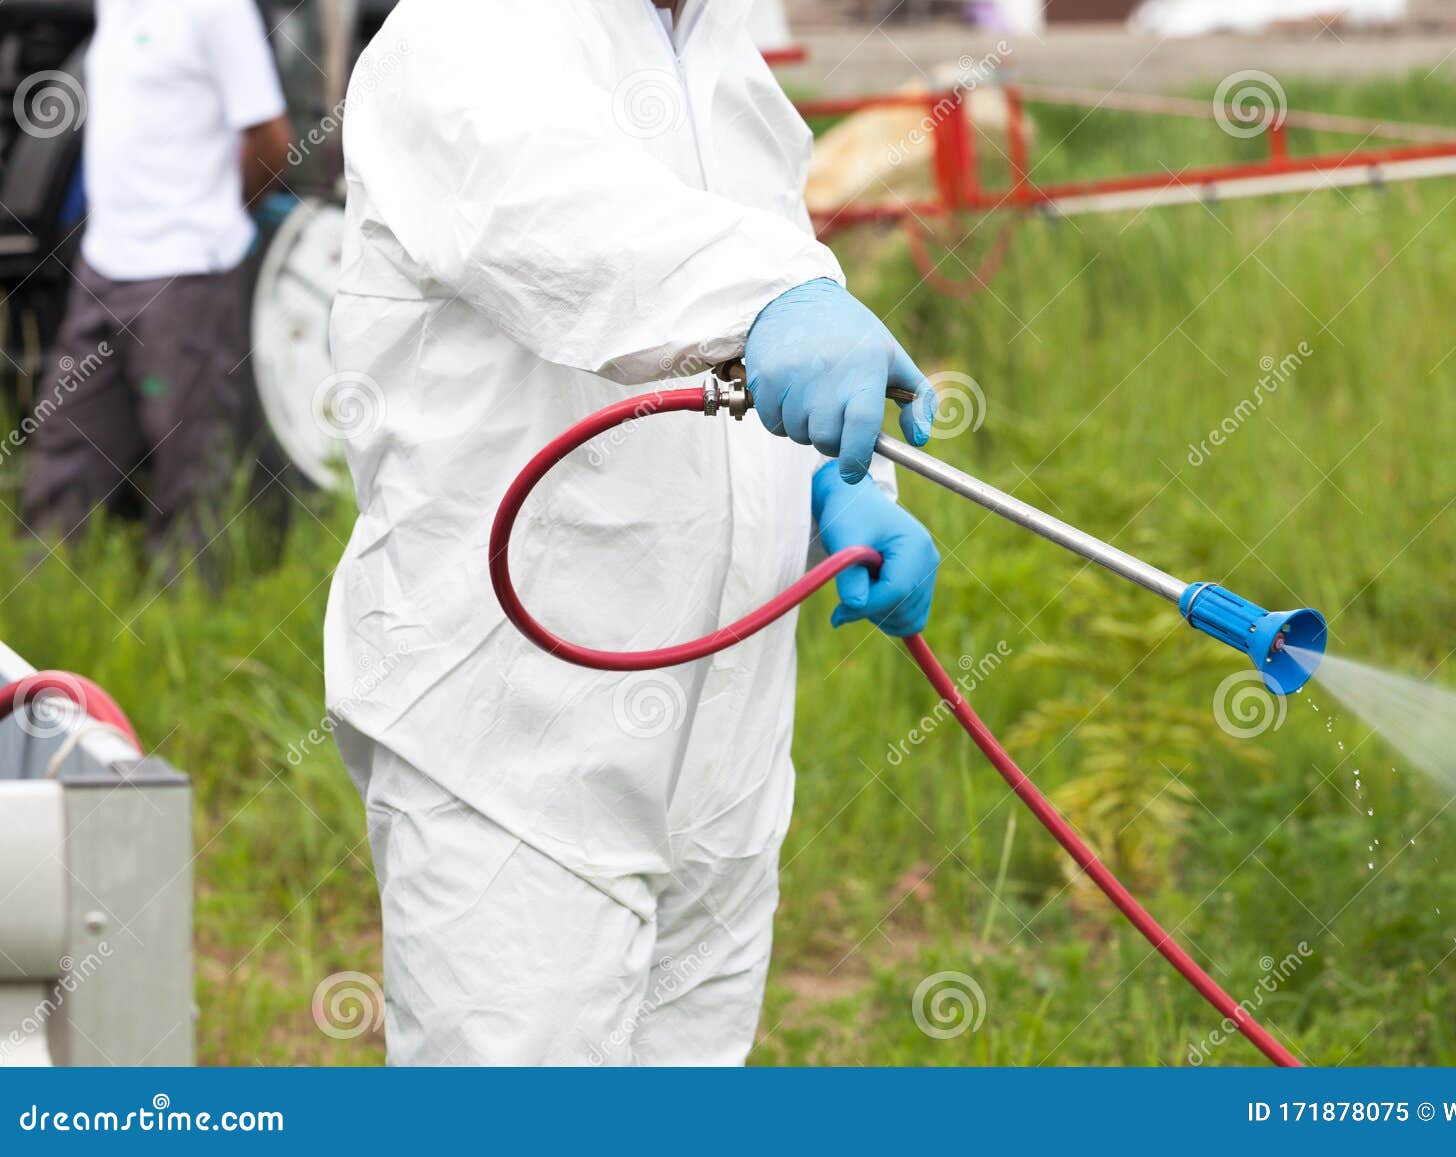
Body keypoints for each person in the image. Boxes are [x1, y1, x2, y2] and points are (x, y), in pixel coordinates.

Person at [326, 0, 942, 1065]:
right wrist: (778, 295)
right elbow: (569, 220)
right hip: (514, 752)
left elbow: (771, 333)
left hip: (722, 768)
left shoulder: (720, 57)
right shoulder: (461, 34)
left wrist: (843, 488)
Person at [21, 0, 292, 560]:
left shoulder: (219, 11)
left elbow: (270, 138)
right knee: (66, 447)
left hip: (185, 273)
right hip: (103, 266)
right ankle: (42, 608)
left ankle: (187, 622)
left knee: (191, 463)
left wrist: (216, 216)